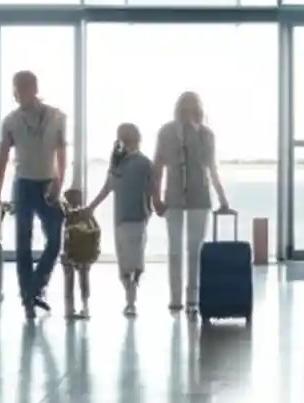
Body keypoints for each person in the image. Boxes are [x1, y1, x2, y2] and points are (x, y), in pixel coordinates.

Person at [0, 70, 68, 320]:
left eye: (23, 88)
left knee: (55, 240)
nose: (19, 94)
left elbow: (61, 152)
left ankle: (36, 286)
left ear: (34, 88)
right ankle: (28, 297)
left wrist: (59, 182)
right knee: (23, 242)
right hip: (23, 185)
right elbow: (2, 156)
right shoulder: (11, 121)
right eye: (16, 89)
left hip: (48, 183)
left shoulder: (56, 116)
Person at [152, 91, 229, 316]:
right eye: (184, 109)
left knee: (195, 249)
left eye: (192, 109)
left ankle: (193, 297)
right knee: (175, 248)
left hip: (199, 195)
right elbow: (158, 165)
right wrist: (155, 197)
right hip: (174, 195)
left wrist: (222, 197)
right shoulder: (166, 132)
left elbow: (211, 167)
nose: (187, 114)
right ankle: (175, 297)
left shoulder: (206, 134)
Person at [86, 123, 153, 317]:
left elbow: (151, 189)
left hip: (135, 218)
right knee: (128, 262)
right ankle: (130, 297)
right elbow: (108, 188)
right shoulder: (119, 164)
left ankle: (131, 300)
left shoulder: (142, 164)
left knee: (131, 261)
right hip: (126, 219)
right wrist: (91, 207)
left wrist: (151, 208)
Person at [59, 187, 99, 320]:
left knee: (70, 279)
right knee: (82, 278)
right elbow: (96, 231)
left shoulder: (66, 215)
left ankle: (70, 309)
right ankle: (84, 306)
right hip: (82, 252)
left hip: (69, 251)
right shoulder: (86, 214)